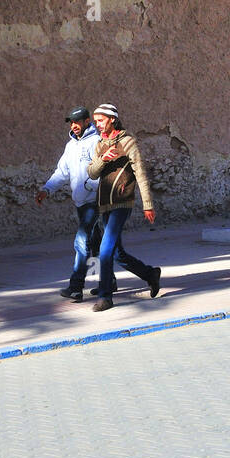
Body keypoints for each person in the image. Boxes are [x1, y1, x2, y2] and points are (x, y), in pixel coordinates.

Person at [86, 103, 161, 312]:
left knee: (105, 249)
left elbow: (141, 174)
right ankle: (150, 274)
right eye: (96, 121)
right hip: (105, 204)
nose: (97, 124)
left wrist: (148, 205)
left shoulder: (128, 142)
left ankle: (105, 296)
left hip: (122, 203)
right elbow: (92, 172)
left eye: (100, 120)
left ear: (111, 119)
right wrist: (103, 159)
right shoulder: (100, 144)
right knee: (117, 253)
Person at [35, 106, 101, 302]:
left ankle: (76, 287)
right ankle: (109, 281)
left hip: (94, 202)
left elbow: (101, 171)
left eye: (77, 122)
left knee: (81, 241)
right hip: (81, 203)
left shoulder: (96, 142)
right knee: (96, 242)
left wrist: (91, 187)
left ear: (87, 122)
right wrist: (46, 189)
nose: (74, 126)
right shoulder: (71, 146)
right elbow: (62, 172)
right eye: (72, 122)